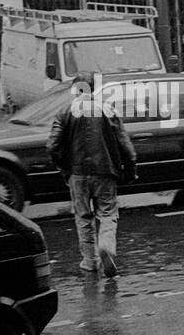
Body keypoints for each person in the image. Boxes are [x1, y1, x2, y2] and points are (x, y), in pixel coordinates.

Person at [47, 71, 137, 278]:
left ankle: (90, 261)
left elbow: (52, 146)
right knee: (107, 214)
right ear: (94, 89)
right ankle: (106, 246)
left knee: (83, 217)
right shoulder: (107, 110)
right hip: (105, 171)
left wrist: (64, 168)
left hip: (77, 174)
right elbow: (126, 146)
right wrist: (130, 171)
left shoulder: (64, 112)